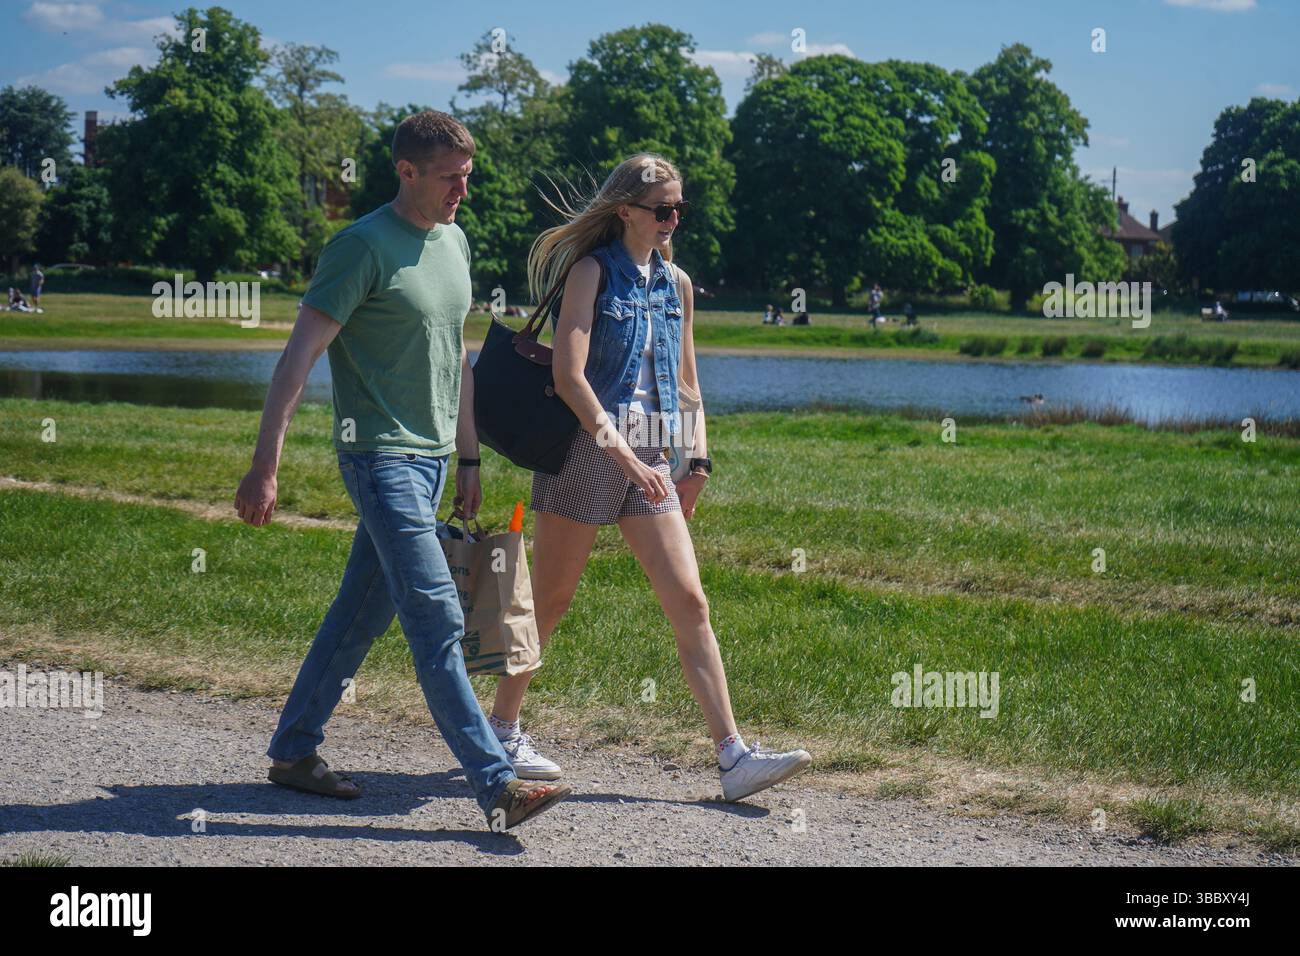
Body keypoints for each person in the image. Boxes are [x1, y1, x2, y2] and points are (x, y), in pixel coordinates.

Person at [234, 110, 568, 831]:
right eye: (450, 178)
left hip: (433, 463)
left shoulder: (455, 242)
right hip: (377, 456)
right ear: (407, 171)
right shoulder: (359, 248)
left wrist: (470, 455)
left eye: (468, 176)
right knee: (436, 618)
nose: (462, 191)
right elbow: (297, 362)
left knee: (360, 615)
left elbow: (457, 364)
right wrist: (266, 466)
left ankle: (294, 753)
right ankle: (496, 783)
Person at [483, 153, 812, 802]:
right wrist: (622, 454)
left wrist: (697, 462)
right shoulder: (590, 272)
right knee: (549, 602)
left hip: (654, 462)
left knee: (690, 601)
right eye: (662, 209)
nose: (672, 220)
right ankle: (500, 727)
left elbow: (687, 385)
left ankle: (732, 757)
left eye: (679, 209)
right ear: (625, 210)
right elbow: (567, 377)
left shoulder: (677, 285)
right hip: (587, 452)